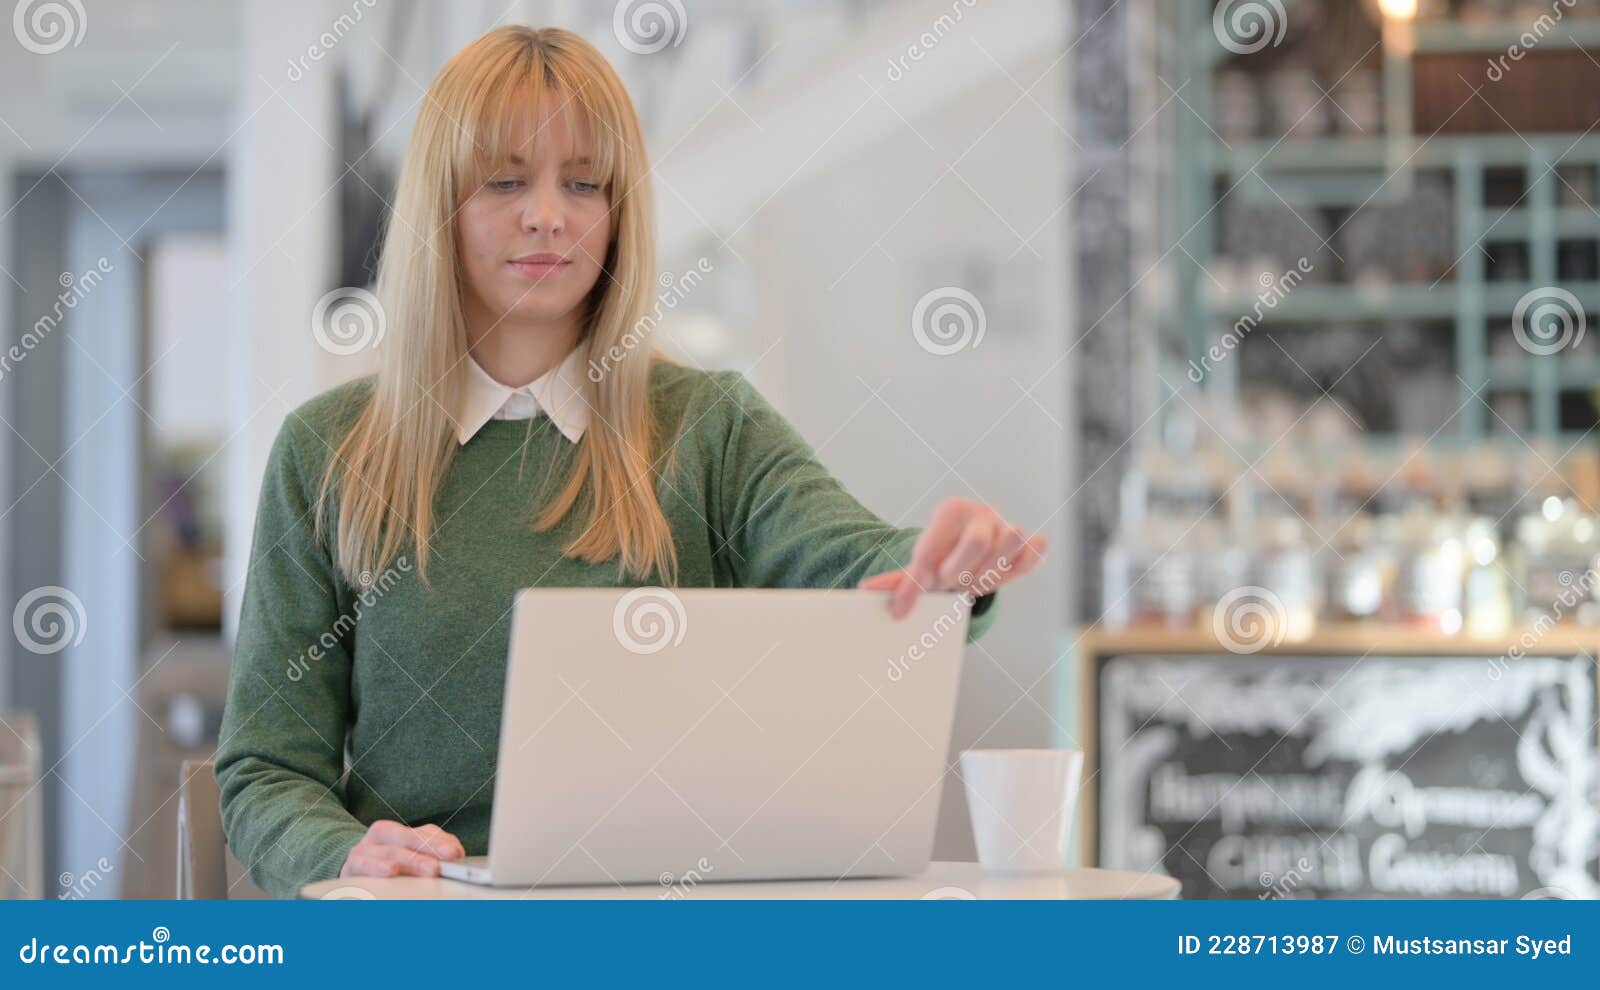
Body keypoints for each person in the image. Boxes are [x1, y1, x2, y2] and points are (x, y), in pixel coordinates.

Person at [215, 25, 1047, 898]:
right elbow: (268, 767)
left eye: (585, 183)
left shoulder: (709, 428)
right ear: (440, 205)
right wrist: (346, 856)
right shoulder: (327, 450)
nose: (549, 213)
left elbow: (853, 561)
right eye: (505, 180)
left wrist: (943, 573)